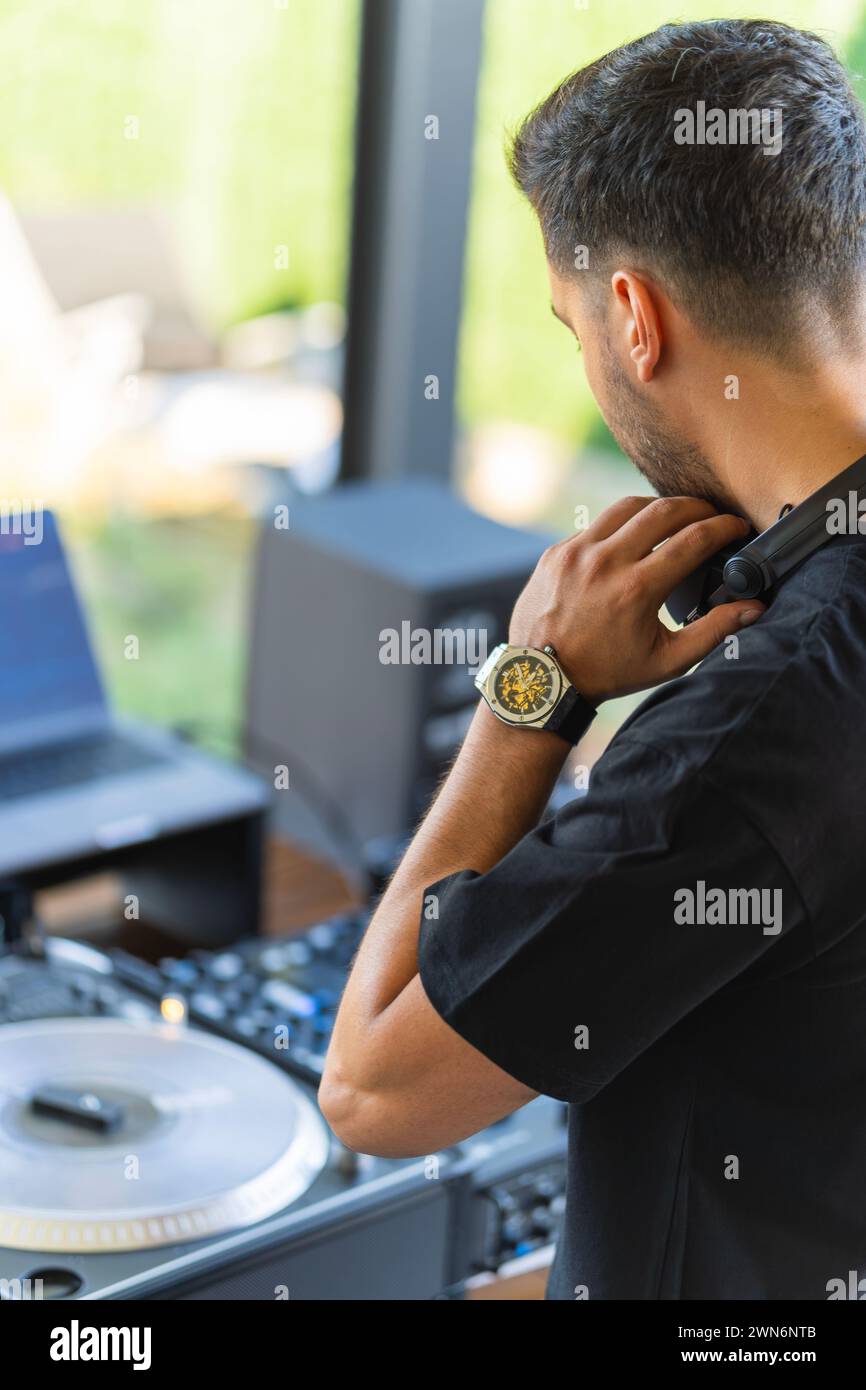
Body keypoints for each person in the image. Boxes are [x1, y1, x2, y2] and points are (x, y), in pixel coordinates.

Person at [319, 19, 866, 1299]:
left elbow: (372, 1086)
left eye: (569, 327)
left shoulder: (747, 738)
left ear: (632, 317)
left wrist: (533, 690)